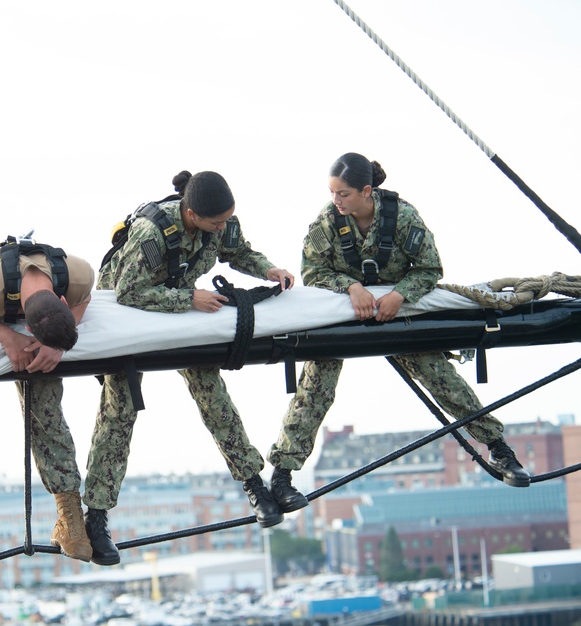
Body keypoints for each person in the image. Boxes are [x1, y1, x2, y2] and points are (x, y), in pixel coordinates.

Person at [266, 152, 530, 512]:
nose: (336, 201)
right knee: (314, 391)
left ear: (366, 191)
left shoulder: (402, 218)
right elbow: (313, 273)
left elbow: (429, 267)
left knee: (442, 380)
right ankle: (281, 476)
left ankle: (499, 449)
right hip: (343, 316)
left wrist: (400, 294)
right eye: (332, 193)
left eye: (343, 194)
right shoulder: (327, 223)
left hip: (396, 313)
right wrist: (350, 287)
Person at [84, 170, 295, 566]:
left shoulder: (221, 222)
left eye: (228, 220)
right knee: (119, 411)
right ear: (192, 214)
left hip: (180, 305)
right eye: (217, 222)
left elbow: (239, 251)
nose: (224, 227)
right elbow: (128, 292)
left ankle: (255, 486)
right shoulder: (151, 233)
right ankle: (95, 519)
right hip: (127, 314)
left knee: (213, 396)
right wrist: (188, 299)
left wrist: (268, 269)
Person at [0, 240, 95, 590]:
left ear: (63, 300)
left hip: (40, 326)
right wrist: (7, 337)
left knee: (44, 414)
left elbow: (84, 302)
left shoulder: (79, 274)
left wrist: (54, 346)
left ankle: (72, 524)